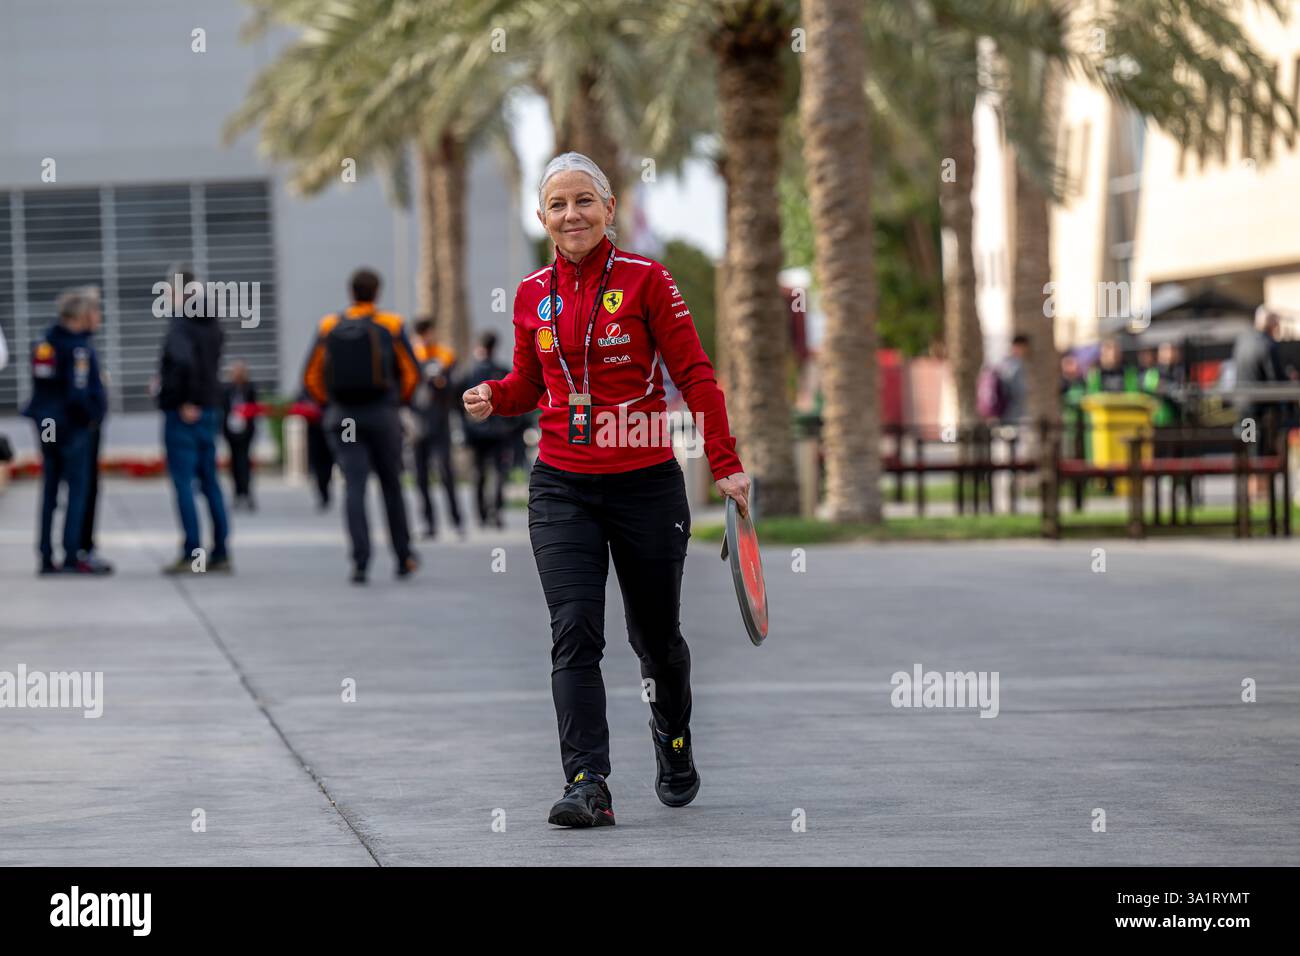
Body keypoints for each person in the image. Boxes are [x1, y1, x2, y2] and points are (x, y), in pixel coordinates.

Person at [462, 152, 750, 828]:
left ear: (610, 208)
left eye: (584, 201)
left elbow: (696, 375)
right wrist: (493, 398)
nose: (572, 215)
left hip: (646, 484)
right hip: (561, 486)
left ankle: (673, 739)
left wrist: (725, 461)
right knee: (573, 632)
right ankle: (588, 782)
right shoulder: (534, 293)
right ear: (542, 218)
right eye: (558, 205)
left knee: (656, 638)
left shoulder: (648, 280)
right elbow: (530, 385)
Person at [303, 268, 421, 584]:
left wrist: (330, 403)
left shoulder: (329, 326)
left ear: (350, 292)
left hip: (344, 417)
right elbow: (411, 373)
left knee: (354, 485)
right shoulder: (391, 325)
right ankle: (402, 556)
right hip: (382, 414)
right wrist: (399, 401)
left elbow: (311, 376)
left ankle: (360, 561)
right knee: (391, 485)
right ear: (376, 292)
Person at [22, 287, 107, 575]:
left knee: (50, 487)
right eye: (95, 312)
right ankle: (73, 554)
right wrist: (93, 416)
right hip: (71, 427)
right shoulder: (79, 348)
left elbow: (42, 386)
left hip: (46, 424)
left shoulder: (44, 342)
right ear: (83, 315)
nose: (99, 318)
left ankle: (45, 555)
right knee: (77, 488)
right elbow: (78, 393)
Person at [158, 266, 232, 574]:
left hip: (185, 412)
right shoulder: (211, 322)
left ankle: (192, 553)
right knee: (210, 482)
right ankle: (221, 553)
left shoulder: (182, 325)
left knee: (184, 483)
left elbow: (184, 363)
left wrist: (185, 398)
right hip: (210, 408)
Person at [410, 318, 463, 539]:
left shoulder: (445, 356)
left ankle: (456, 521)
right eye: (421, 334)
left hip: (440, 422)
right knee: (420, 476)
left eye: (427, 333)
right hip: (416, 424)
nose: (425, 338)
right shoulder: (411, 356)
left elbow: (453, 388)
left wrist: (440, 379)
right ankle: (429, 523)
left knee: (445, 473)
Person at [457, 331, 513, 529]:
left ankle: (480, 514)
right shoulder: (502, 371)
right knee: (498, 473)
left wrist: (464, 428)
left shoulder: (469, 373)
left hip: (476, 431)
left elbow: (459, 403)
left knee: (478, 474)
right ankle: (496, 512)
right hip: (499, 431)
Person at [1232, 307, 1287, 455]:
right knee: (1260, 457)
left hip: (1243, 408)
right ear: (1272, 324)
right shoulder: (1267, 344)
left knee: (1249, 453)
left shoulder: (1242, 340)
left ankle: (1252, 476)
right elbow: (1276, 380)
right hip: (1261, 411)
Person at [222, 360, 259, 511]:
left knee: (244, 461)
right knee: (235, 462)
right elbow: (222, 408)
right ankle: (237, 493)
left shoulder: (249, 388)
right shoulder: (226, 389)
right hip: (231, 431)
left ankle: (247, 492)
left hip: (246, 431)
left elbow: (254, 407)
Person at [996, 334, 1029, 426]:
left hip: (1006, 410)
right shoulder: (1014, 365)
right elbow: (1015, 390)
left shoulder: (1004, 362)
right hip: (1010, 411)